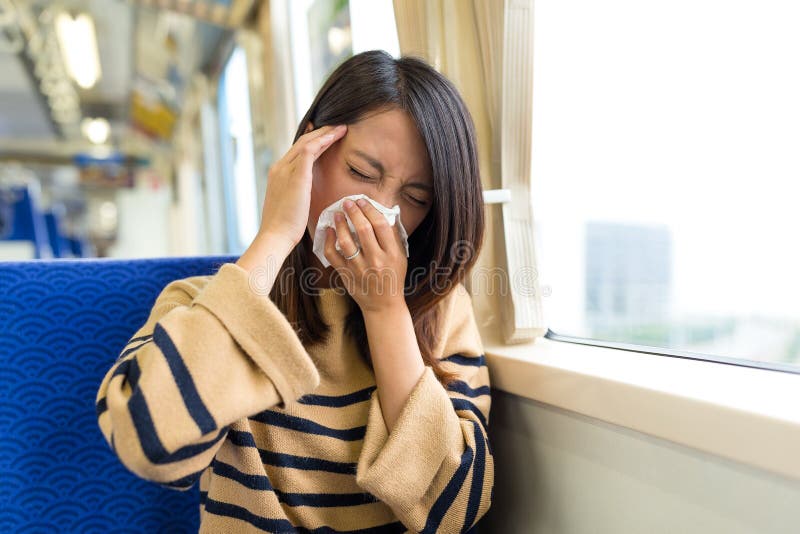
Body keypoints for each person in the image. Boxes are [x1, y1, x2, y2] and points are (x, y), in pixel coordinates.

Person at [95, 49, 492, 533]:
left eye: (414, 198)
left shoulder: (442, 312)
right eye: (362, 174)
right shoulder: (209, 307)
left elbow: (456, 511)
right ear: (309, 153)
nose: (379, 213)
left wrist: (385, 311)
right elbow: (148, 441)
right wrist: (275, 237)